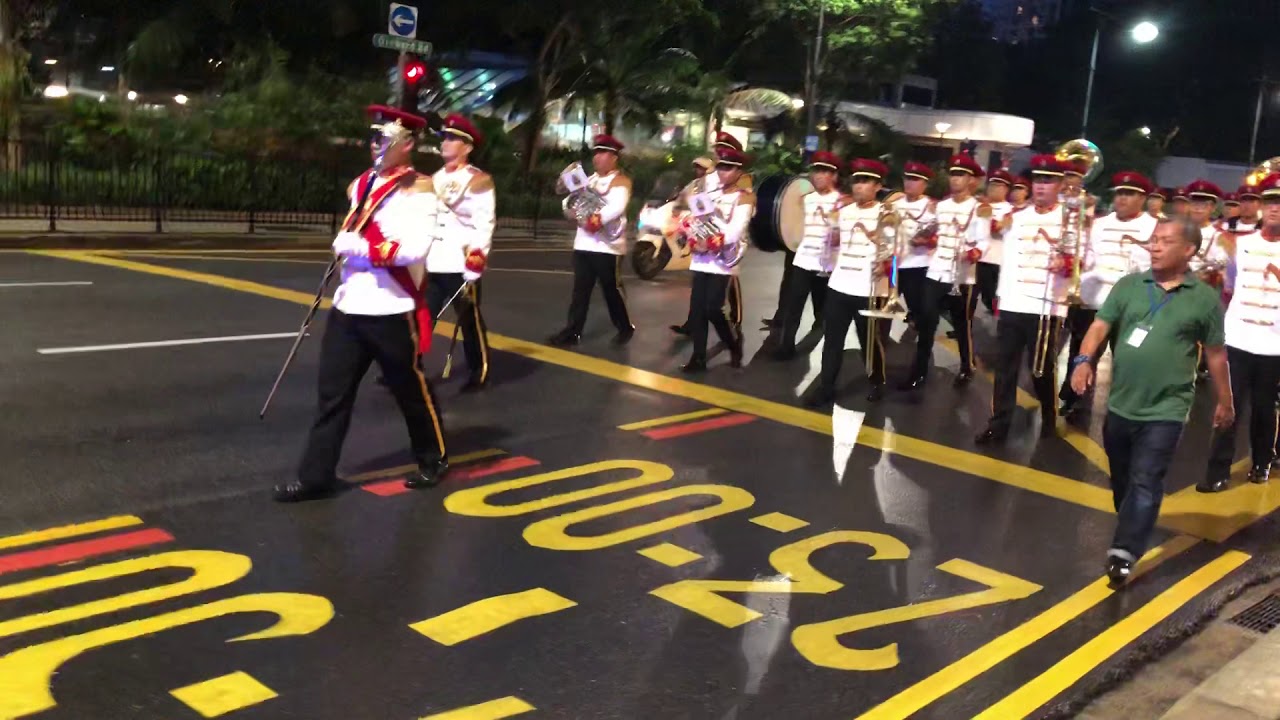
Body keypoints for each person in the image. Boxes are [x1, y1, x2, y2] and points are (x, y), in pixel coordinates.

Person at [274, 105, 449, 503]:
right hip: (350, 304)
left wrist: (363, 249)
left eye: (386, 137)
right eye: (374, 137)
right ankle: (316, 476)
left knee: (409, 390)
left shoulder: (419, 189)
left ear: (408, 144)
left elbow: (415, 249)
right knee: (332, 394)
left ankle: (431, 457)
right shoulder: (361, 184)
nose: (377, 144)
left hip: (391, 306)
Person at [1070, 215, 1232, 584]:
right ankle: (1133, 524)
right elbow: (1099, 325)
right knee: (1124, 480)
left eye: (1165, 241)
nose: (1155, 246)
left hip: (1168, 408)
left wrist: (1226, 400)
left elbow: (1216, 353)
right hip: (1121, 405)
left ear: (1189, 250)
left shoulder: (1204, 300)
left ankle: (1124, 552)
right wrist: (1083, 360)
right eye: (1153, 239)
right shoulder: (1129, 285)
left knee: (1146, 480)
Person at [976, 154, 1076, 444]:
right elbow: (989, 233)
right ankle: (999, 423)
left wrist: (1068, 265)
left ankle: (1048, 411)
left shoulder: (1071, 219)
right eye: (1038, 180)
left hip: (1047, 305)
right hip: (1013, 303)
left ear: (1060, 184)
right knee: (1005, 367)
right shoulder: (1015, 217)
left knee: (1040, 369)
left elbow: (1084, 257)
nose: (1042, 186)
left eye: (1049, 181)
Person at [1199, 173, 1280, 492]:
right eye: (1271, 201)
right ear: (1261, 206)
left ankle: (1261, 461)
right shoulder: (1237, 244)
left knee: (1264, 407)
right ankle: (1217, 469)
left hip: (1275, 343)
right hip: (1238, 337)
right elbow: (1226, 288)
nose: (1275, 208)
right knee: (1228, 404)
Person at [1059, 171, 1159, 416]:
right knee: (1082, 351)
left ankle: (1127, 403)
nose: (1122, 199)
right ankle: (1074, 398)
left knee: (1127, 357)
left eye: (1129, 194)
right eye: (1119, 194)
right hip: (1094, 300)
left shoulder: (1155, 226)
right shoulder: (1099, 224)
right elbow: (1088, 256)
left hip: (1131, 303)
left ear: (1142, 198)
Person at [803, 158, 893, 406]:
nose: (859, 186)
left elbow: (893, 250)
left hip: (868, 289)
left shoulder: (886, 214)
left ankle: (877, 380)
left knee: (870, 342)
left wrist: (884, 259)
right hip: (839, 285)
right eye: (856, 181)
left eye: (865, 182)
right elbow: (832, 241)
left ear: (878, 186)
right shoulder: (843, 212)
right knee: (832, 341)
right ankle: (826, 387)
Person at [424, 114, 495, 392]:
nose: (445, 142)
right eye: (444, 137)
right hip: (434, 260)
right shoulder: (435, 178)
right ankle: (409, 367)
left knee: (469, 319)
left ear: (467, 147)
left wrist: (477, 257)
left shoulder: (478, 180)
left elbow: (484, 222)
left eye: (452, 138)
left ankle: (480, 369)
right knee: (422, 316)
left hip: (461, 261)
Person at [901, 153, 984, 390]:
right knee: (927, 319)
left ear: (971, 180)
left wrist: (970, 254)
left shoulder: (979, 209)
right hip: (936, 270)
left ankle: (967, 367)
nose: (955, 179)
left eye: (961, 175)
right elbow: (934, 230)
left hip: (962, 274)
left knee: (961, 324)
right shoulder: (942, 206)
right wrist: (924, 238)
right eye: (953, 174)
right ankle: (919, 371)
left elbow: (983, 242)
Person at [549, 134, 635, 347]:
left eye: (603, 153)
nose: (597, 157)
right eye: (596, 152)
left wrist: (598, 219)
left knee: (611, 290)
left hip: (609, 246)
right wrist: (568, 211)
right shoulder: (589, 181)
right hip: (584, 243)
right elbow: (570, 200)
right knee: (580, 291)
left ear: (614, 157)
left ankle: (624, 327)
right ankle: (573, 331)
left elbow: (617, 206)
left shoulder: (621, 181)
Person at [676, 148, 754, 372]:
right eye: (720, 167)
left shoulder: (744, 197)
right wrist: (687, 230)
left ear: (739, 171)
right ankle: (698, 358)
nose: (723, 172)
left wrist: (708, 242)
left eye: (728, 168)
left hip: (723, 259)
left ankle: (732, 343)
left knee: (713, 309)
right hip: (701, 259)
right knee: (698, 308)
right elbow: (694, 218)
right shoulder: (709, 194)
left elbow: (735, 231)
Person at [767, 151, 842, 359]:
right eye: (816, 171)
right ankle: (786, 346)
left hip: (827, 265)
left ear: (834, 176)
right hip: (803, 260)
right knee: (794, 304)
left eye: (825, 172)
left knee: (824, 309)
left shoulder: (842, 202)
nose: (818, 176)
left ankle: (826, 343)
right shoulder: (805, 199)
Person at [893, 161, 937, 328]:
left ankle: (918, 330)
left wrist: (927, 241)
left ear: (925, 184)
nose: (909, 183)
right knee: (886, 302)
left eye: (915, 179)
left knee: (916, 305)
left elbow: (941, 234)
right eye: (907, 178)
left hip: (917, 264)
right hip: (895, 262)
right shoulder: (895, 204)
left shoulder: (932, 206)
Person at [973, 168, 1016, 315]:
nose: (994, 189)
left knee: (990, 296)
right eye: (992, 185)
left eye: (999, 186)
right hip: (976, 256)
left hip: (995, 258)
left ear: (1006, 189)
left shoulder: (1010, 210)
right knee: (970, 296)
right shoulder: (977, 205)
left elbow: (998, 229)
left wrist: (987, 218)